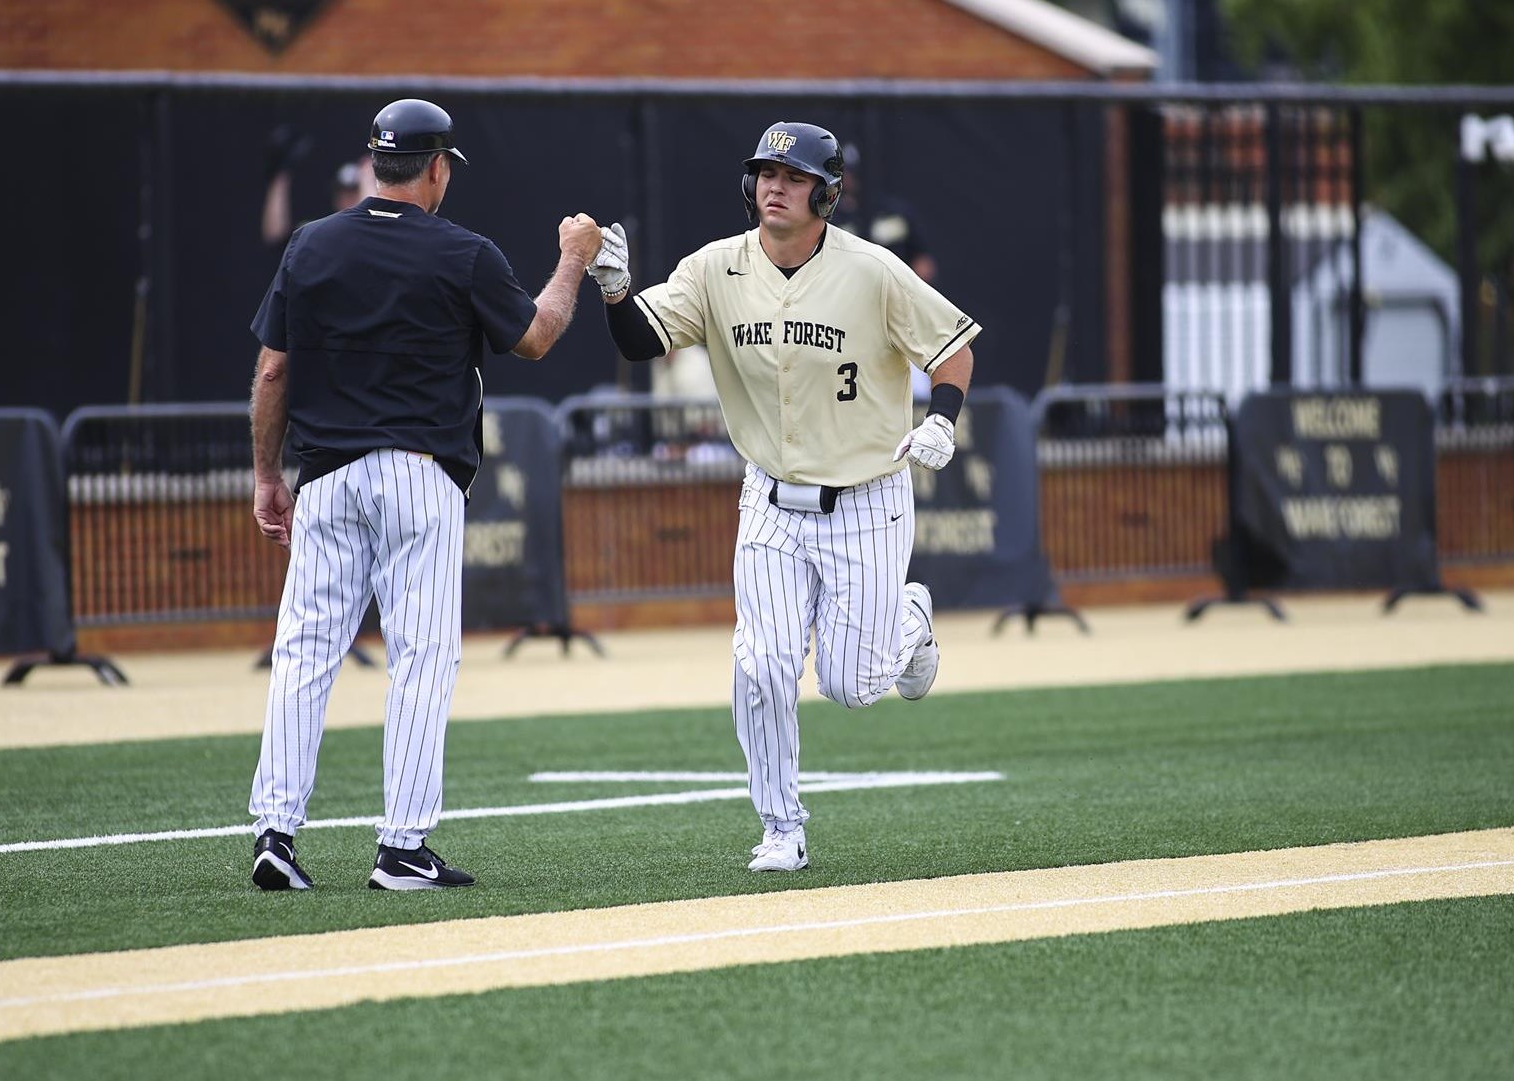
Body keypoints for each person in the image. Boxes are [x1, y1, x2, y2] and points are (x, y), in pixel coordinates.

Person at [588, 120, 979, 872]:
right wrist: (613, 291)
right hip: (769, 499)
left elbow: (953, 347)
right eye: (766, 173)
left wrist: (941, 419)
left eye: (795, 177)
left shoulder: (873, 270)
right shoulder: (715, 268)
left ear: (825, 194)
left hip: (867, 497)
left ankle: (909, 618)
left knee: (851, 685)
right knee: (761, 664)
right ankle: (780, 826)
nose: (775, 186)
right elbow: (641, 341)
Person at [246, 98, 601, 891]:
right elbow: (535, 336)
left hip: (326, 475)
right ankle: (401, 846)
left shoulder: (310, 243)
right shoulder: (462, 251)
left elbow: (273, 370)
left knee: (304, 650)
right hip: (417, 473)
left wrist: (267, 474)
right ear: (437, 168)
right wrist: (573, 259)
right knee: (421, 656)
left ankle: (275, 833)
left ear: (375, 163)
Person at [829, 143, 938, 400]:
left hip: (901, 313)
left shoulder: (894, 211)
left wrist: (907, 291)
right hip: (852, 316)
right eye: (843, 174)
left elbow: (924, 263)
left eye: (852, 172)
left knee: (918, 391)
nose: (849, 179)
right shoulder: (834, 219)